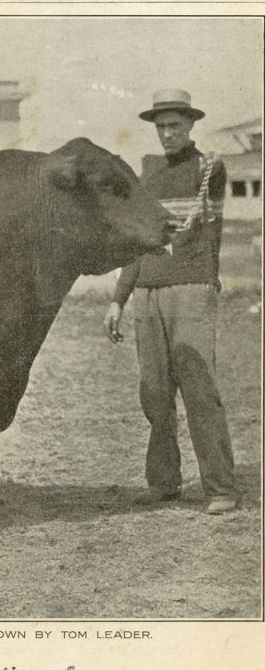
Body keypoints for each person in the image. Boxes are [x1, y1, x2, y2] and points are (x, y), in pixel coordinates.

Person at [103, 89, 238, 515]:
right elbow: (138, 242)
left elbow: (211, 228)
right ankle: (164, 483)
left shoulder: (209, 167)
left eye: (175, 125)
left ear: (191, 124)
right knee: (154, 393)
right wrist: (118, 299)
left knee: (199, 389)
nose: (167, 134)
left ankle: (221, 488)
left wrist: (207, 280)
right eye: (161, 127)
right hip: (146, 291)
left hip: (191, 288)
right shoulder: (146, 171)